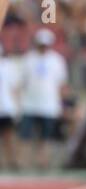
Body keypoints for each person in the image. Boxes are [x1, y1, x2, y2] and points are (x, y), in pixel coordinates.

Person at [17, 28, 68, 170]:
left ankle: (43, 162)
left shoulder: (57, 60)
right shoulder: (28, 59)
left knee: (46, 137)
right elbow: (21, 82)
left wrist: (61, 104)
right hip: (29, 103)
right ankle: (23, 163)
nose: (43, 47)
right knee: (25, 136)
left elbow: (61, 84)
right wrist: (18, 103)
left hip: (49, 104)